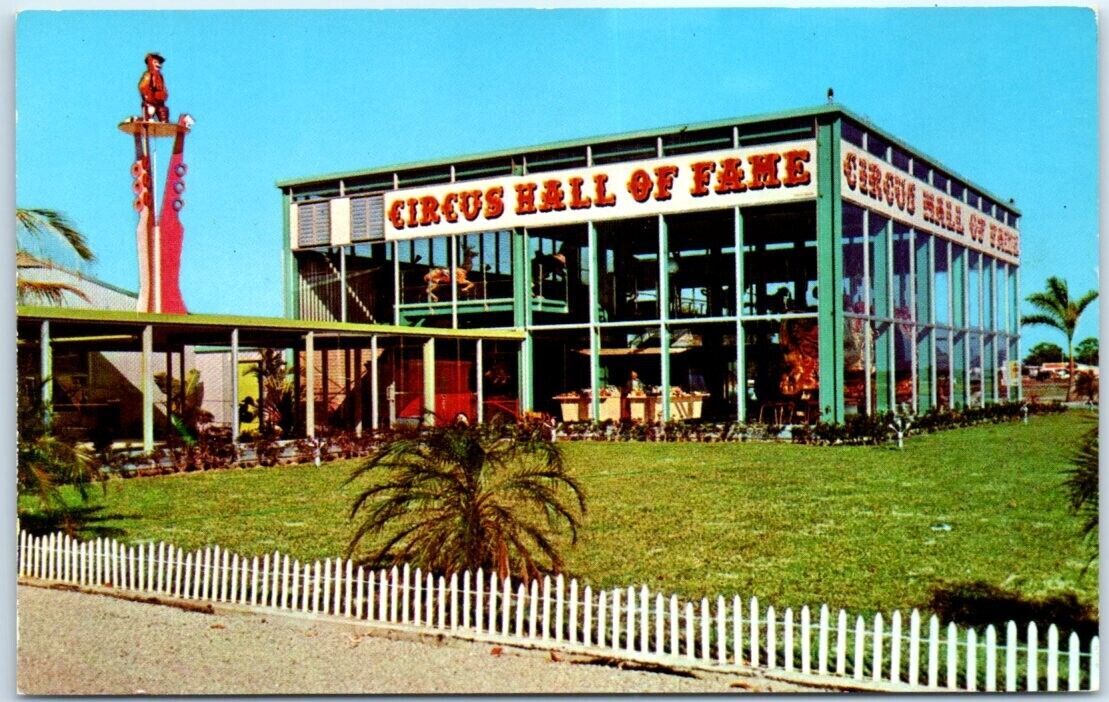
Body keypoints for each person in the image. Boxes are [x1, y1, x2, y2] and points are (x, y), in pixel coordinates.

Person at [138, 52, 169, 122]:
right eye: (155, 62)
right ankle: (146, 119)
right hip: (150, 102)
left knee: (163, 111)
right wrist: (149, 97)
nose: (158, 65)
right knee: (150, 110)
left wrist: (164, 95)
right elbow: (143, 87)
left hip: (159, 102)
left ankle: (164, 123)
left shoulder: (160, 77)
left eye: (159, 63)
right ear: (150, 63)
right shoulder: (148, 75)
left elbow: (164, 89)